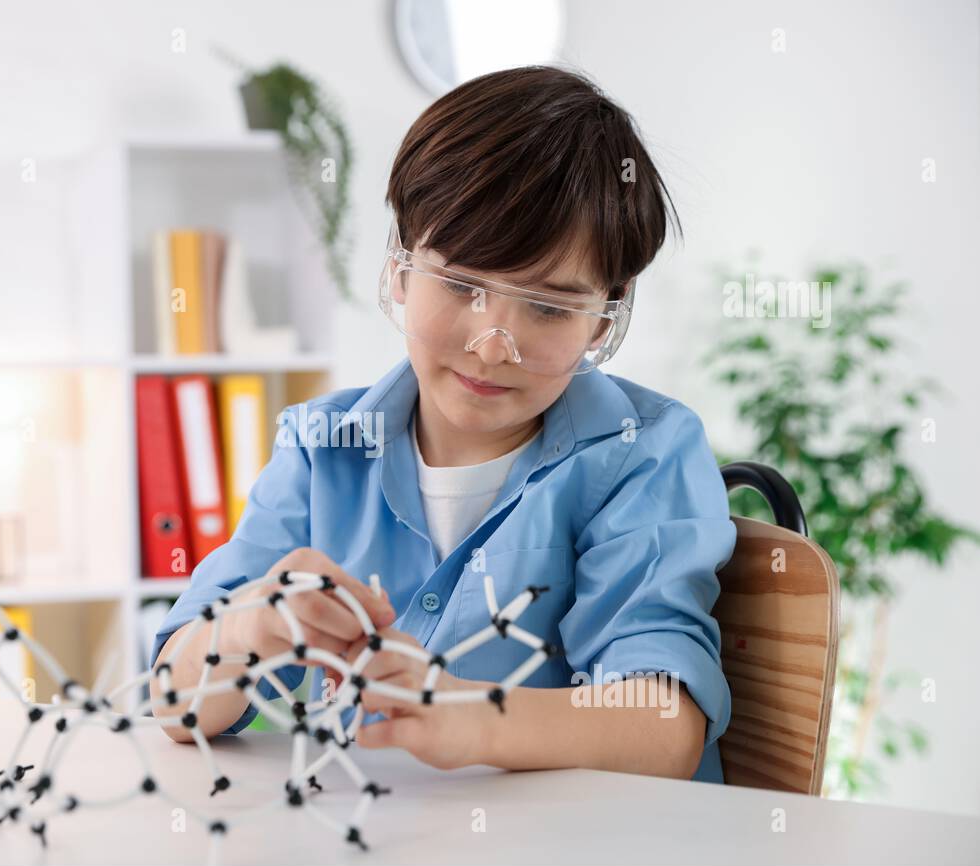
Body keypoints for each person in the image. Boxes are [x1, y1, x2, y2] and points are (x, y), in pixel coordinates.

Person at [151, 65, 735, 782]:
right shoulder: (321, 447)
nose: (494, 344)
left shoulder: (641, 455)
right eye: (462, 285)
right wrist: (247, 627)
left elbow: (661, 726)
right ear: (400, 267)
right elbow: (174, 701)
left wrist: (461, 715)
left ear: (605, 316)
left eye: (549, 307)